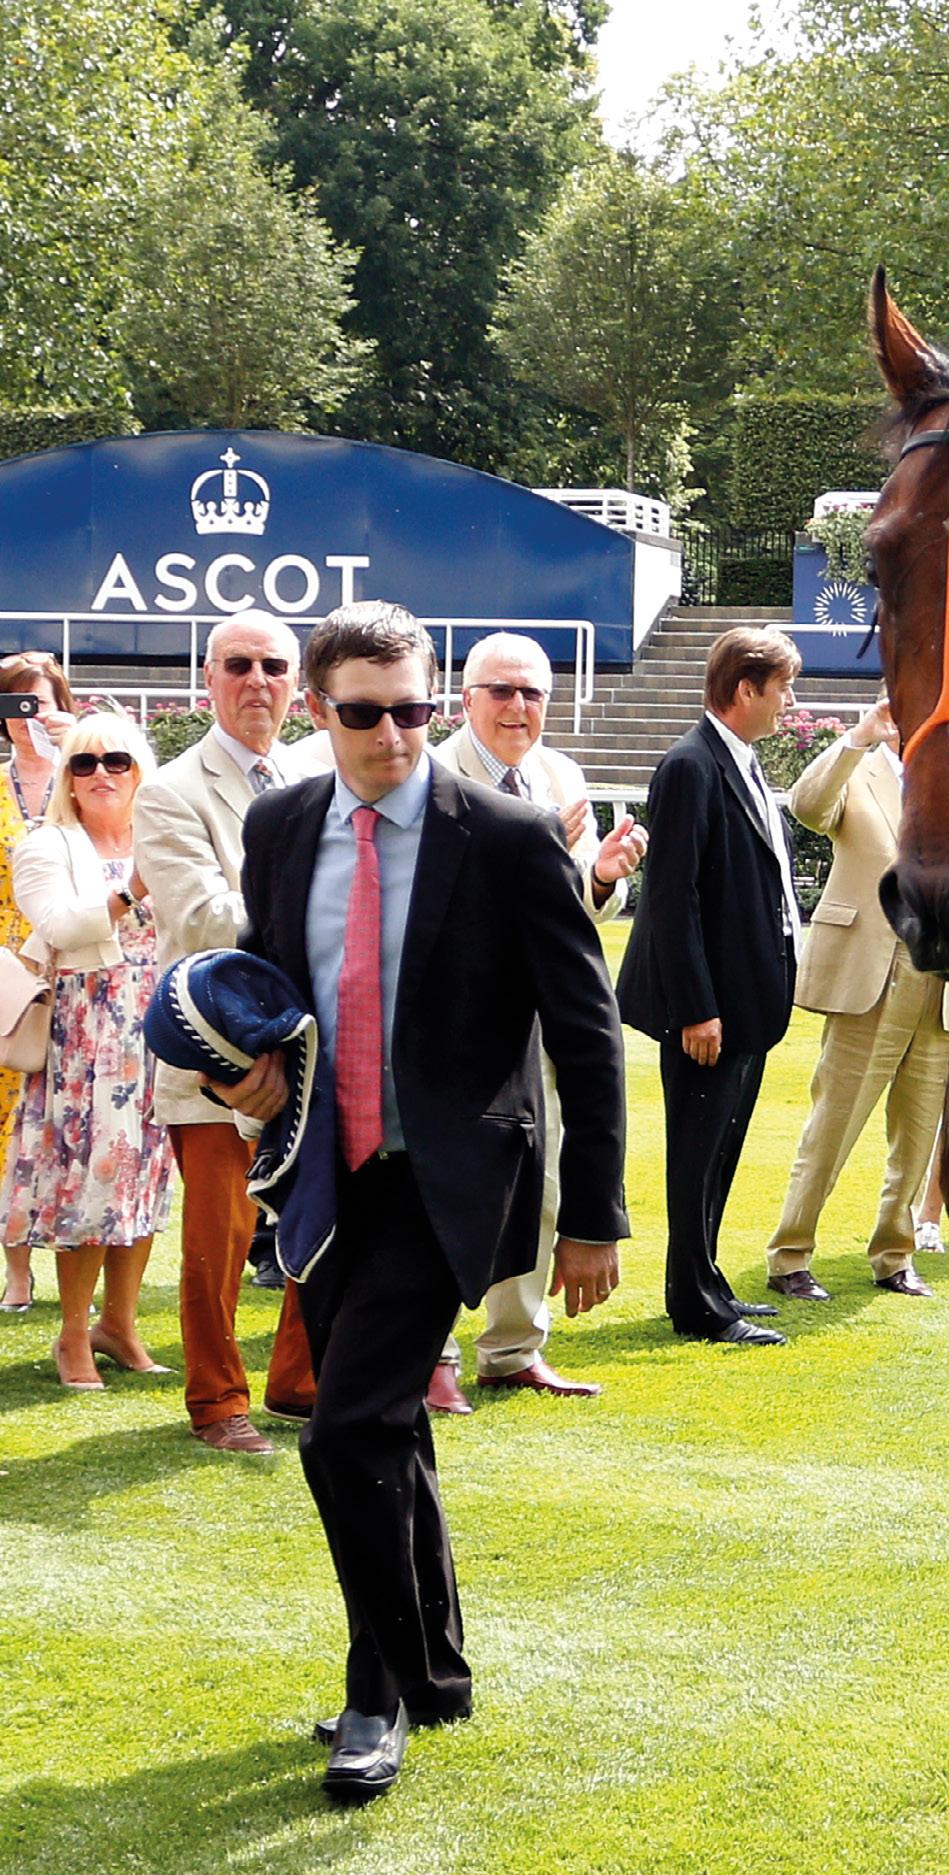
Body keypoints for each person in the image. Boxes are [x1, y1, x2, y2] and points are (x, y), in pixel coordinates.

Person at [209, 601, 628, 1801]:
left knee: (343, 1432)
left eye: (411, 708)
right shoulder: (281, 824)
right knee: (386, 1426)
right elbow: (266, 979)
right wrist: (243, 1068)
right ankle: (436, 1668)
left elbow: (587, 1031)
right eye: (364, 712)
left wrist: (591, 1216)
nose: (392, 733)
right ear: (318, 710)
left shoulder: (506, 837)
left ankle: (377, 1687)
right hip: (324, 1174)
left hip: (449, 1182)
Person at [433, 630, 646, 1396]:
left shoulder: (561, 773)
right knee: (447, 1184)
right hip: (458, 1021)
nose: (517, 706)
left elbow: (572, 911)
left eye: (532, 693)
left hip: (546, 1018)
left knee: (543, 1178)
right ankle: (428, 1354)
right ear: (466, 699)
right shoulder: (432, 775)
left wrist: (601, 877)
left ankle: (514, 1347)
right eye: (502, 690)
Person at [133, 613, 318, 1452]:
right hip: (218, 1056)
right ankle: (216, 1401)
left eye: (273, 665)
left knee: (315, 1222)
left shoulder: (317, 771)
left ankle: (300, 1382)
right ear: (207, 679)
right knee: (220, 1240)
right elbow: (205, 919)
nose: (256, 680)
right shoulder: (170, 790)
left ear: (296, 682)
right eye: (237, 664)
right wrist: (328, 910)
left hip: (308, 1048)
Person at [615, 626, 801, 1347]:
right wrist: (697, 1008)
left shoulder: (739, 761)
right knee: (696, 1156)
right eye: (782, 687)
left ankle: (708, 1284)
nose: (789, 701)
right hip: (710, 1010)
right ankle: (695, 1305)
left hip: (745, 1003)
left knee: (719, 1151)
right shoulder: (690, 766)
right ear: (745, 689)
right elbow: (671, 897)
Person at [5, 715, 175, 1388]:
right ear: (68, 780)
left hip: (157, 1025)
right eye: (84, 763)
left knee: (146, 1177)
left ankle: (120, 1325)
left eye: (117, 760)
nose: (101, 773)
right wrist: (134, 888)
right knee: (88, 1184)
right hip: (86, 1035)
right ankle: (73, 1332)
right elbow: (59, 925)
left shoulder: (161, 838)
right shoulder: (46, 845)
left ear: (140, 772)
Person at [765, 700, 949, 1302]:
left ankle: (895, 1255)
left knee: (918, 1135)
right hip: (869, 975)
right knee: (833, 1125)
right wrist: (858, 737)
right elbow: (808, 806)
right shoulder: (861, 770)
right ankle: (790, 1255)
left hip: (941, 980)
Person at [0, 651, 76, 1312]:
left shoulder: (88, 776)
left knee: (67, 1119)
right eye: (15, 704)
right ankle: (17, 1269)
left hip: (72, 961)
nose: (28, 718)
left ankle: (76, 1267)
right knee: (8, 1125)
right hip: (5, 969)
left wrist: (69, 752)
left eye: (40, 703)